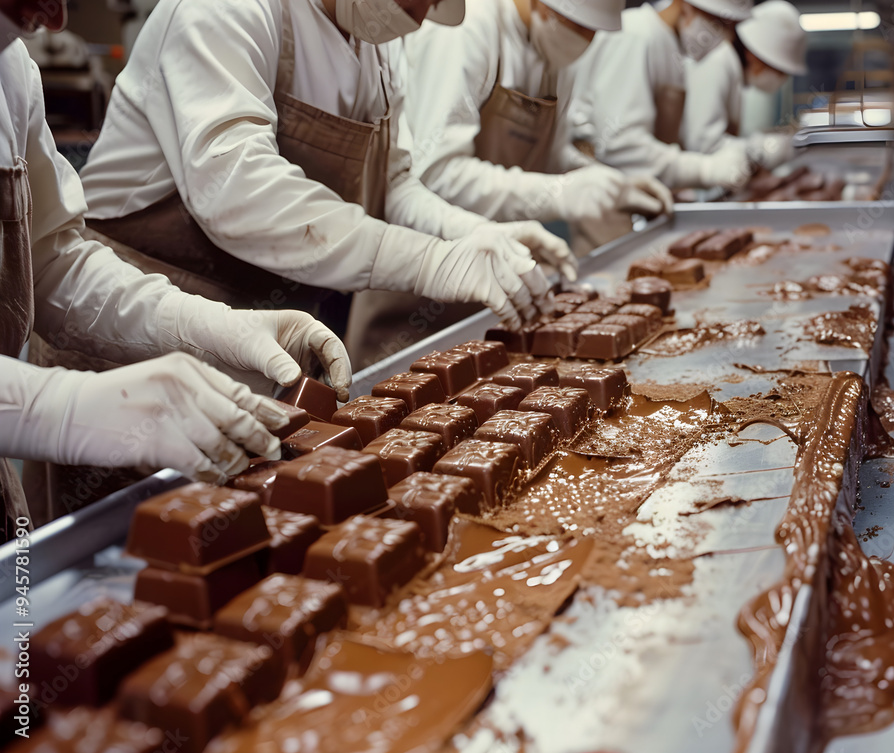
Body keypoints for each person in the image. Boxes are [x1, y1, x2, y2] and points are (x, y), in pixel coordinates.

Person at [0, 0, 352, 538]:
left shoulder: (12, 70)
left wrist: (207, 327)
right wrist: (58, 409)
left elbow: (51, 263)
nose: (57, 23)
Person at [79, 0, 573, 367]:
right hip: (144, 328)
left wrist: (470, 233)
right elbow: (237, 193)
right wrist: (429, 262)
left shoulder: (376, 39)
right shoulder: (231, 9)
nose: (428, 14)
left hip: (274, 332)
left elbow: (391, 182)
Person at [405, 0, 675, 226]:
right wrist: (558, 194)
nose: (586, 39)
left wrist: (610, 185)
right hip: (431, 256)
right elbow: (438, 174)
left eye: (594, 30)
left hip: (500, 246)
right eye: (580, 26)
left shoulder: (554, 47)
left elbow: (550, 156)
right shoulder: (468, 27)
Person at [563, 0, 753, 194]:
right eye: (719, 22)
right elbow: (619, 144)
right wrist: (703, 169)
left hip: (633, 195)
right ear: (686, 6)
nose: (725, 36)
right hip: (601, 195)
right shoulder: (635, 34)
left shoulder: (672, 48)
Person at [681, 0, 807, 170]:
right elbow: (703, 145)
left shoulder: (731, 69)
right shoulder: (719, 61)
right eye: (780, 71)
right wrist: (765, 149)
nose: (780, 79)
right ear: (755, 56)